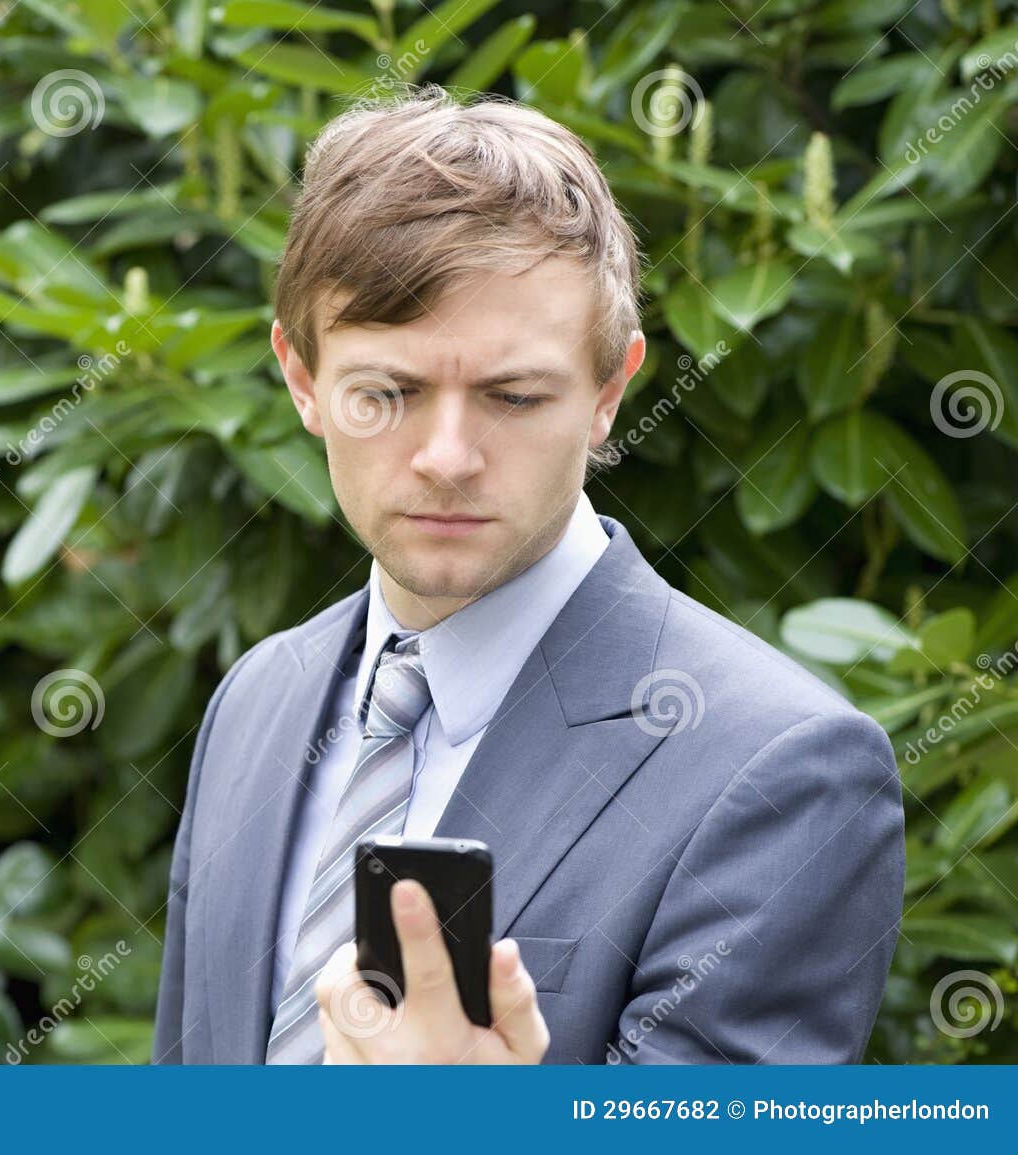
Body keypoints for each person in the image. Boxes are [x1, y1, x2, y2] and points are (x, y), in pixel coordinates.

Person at [151, 88, 904, 1065]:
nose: (448, 456)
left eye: (512, 395)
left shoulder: (784, 775)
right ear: (301, 380)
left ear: (607, 394)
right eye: (388, 392)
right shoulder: (257, 700)